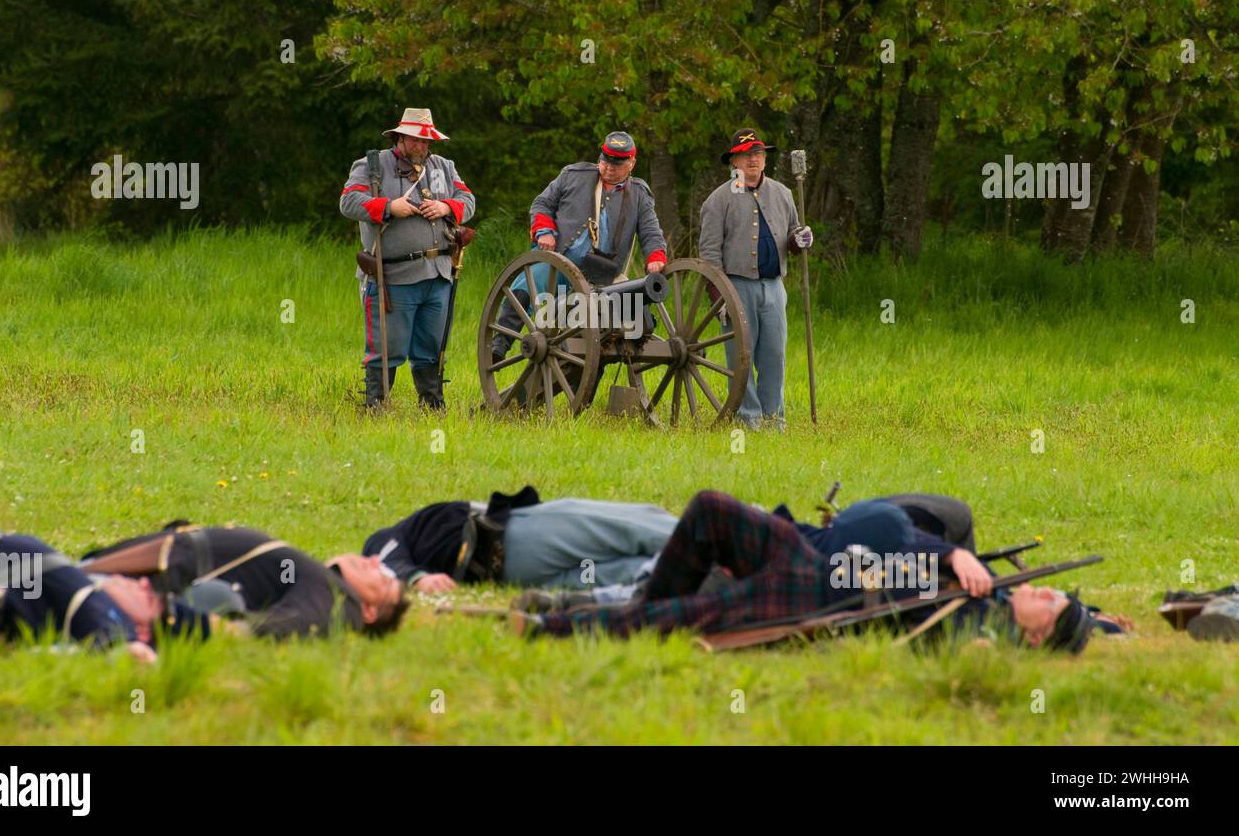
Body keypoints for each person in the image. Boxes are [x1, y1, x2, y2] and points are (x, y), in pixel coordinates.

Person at [510, 490, 1104, 654]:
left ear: (1031, 637)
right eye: (1052, 592)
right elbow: (889, 538)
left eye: (1049, 604)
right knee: (710, 510)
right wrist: (951, 555)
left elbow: (889, 566)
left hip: (820, 600)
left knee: (686, 618)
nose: (1043, 590)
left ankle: (549, 630)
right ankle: (597, 611)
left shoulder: (976, 628)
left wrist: (947, 567)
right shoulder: (975, 584)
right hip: (812, 557)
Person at [490, 131, 667, 364]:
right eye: (605, 160)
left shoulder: (640, 194)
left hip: (603, 276)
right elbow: (542, 204)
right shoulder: (573, 175)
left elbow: (651, 232)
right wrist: (544, 231)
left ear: (632, 163)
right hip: (560, 264)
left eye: (617, 163)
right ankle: (500, 342)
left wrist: (656, 257)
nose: (609, 167)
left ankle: (590, 377)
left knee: (613, 326)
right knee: (530, 279)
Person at [340, 108, 476, 409]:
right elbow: (348, 201)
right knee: (389, 346)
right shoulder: (372, 166)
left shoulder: (444, 166)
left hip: (439, 271)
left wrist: (446, 208)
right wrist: (389, 207)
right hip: (394, 275)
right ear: (400, 137)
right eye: (416, 140)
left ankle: (432, 406)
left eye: (426, 141)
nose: (422, 147)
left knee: (431, 347)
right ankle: (375, 406)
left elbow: (469, 201)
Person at [83, 524, 409, 639]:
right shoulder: (321, 580)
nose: (374, 562)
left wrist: (185, 622)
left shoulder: (340, 601)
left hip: (153, 582)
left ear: (368, 610)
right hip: (164, 556)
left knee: (41, 571)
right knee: (44, 570)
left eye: (384, 579)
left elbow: (289, 626)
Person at [699, 128, 812, 430]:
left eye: (758, 154)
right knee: (741, 356)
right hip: (736, 287)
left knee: (774, 354)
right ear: (734, 160)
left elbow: (791, 234)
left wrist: (799, 240)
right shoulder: (717, 200)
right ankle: (747, 418)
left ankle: (774, 419)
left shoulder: (783, 193)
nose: (753, 159)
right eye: (746, 155)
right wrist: (719, 298)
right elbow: (709, 254)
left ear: (764, 159)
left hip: (773, 286)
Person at [361, 487, 676, 594]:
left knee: (626, 574)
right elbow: (386, 557)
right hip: (518, 538)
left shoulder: (410, 543)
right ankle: (717, 536)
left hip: (517, 576)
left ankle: (707, 577)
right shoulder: (383, 542)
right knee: (631, 526)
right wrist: (418, 580)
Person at [0, 531, 161, 662]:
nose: (143, 583)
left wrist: (127, 643)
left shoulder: (91, 603)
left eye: (149, 597)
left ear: (142, 631)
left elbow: (133, 652)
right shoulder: (72, 589)